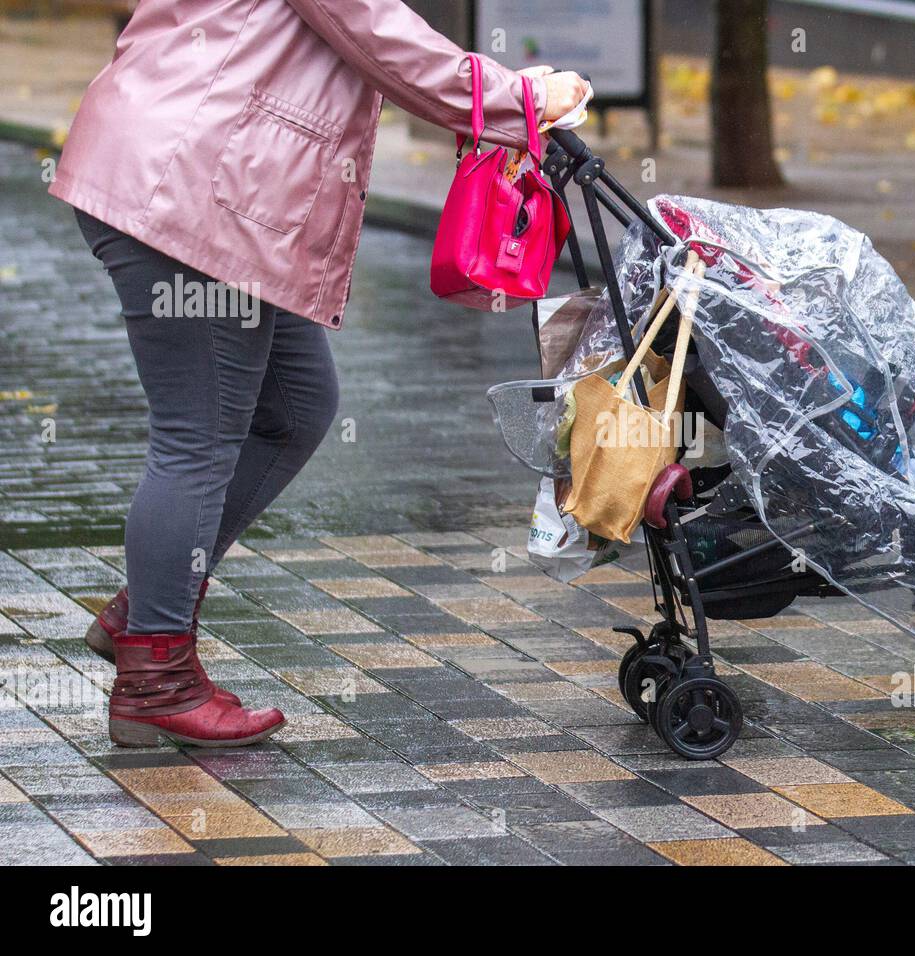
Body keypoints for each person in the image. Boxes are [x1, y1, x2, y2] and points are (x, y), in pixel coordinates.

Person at [49, 0, 590, 748]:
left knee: (297, 406)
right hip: (194, 192)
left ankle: (147, 614)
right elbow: (378, 32)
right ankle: (156, 676)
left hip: (205, 175)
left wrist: (494, 95)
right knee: (198, 438)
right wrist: (519, 98)